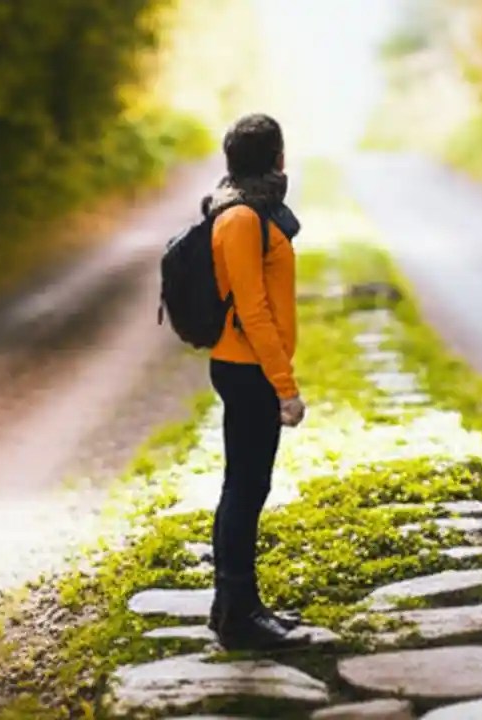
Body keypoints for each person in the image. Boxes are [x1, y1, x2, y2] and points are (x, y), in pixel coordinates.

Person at [201, 113, 307, 651]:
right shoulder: (242, 218)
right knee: (247, 487)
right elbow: (253, 311)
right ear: (276, 157)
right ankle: (239, 616)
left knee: (243, 484)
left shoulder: (248, 210)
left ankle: (232, 607)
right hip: (247, 370)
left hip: (246, 366)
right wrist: (284, 386)